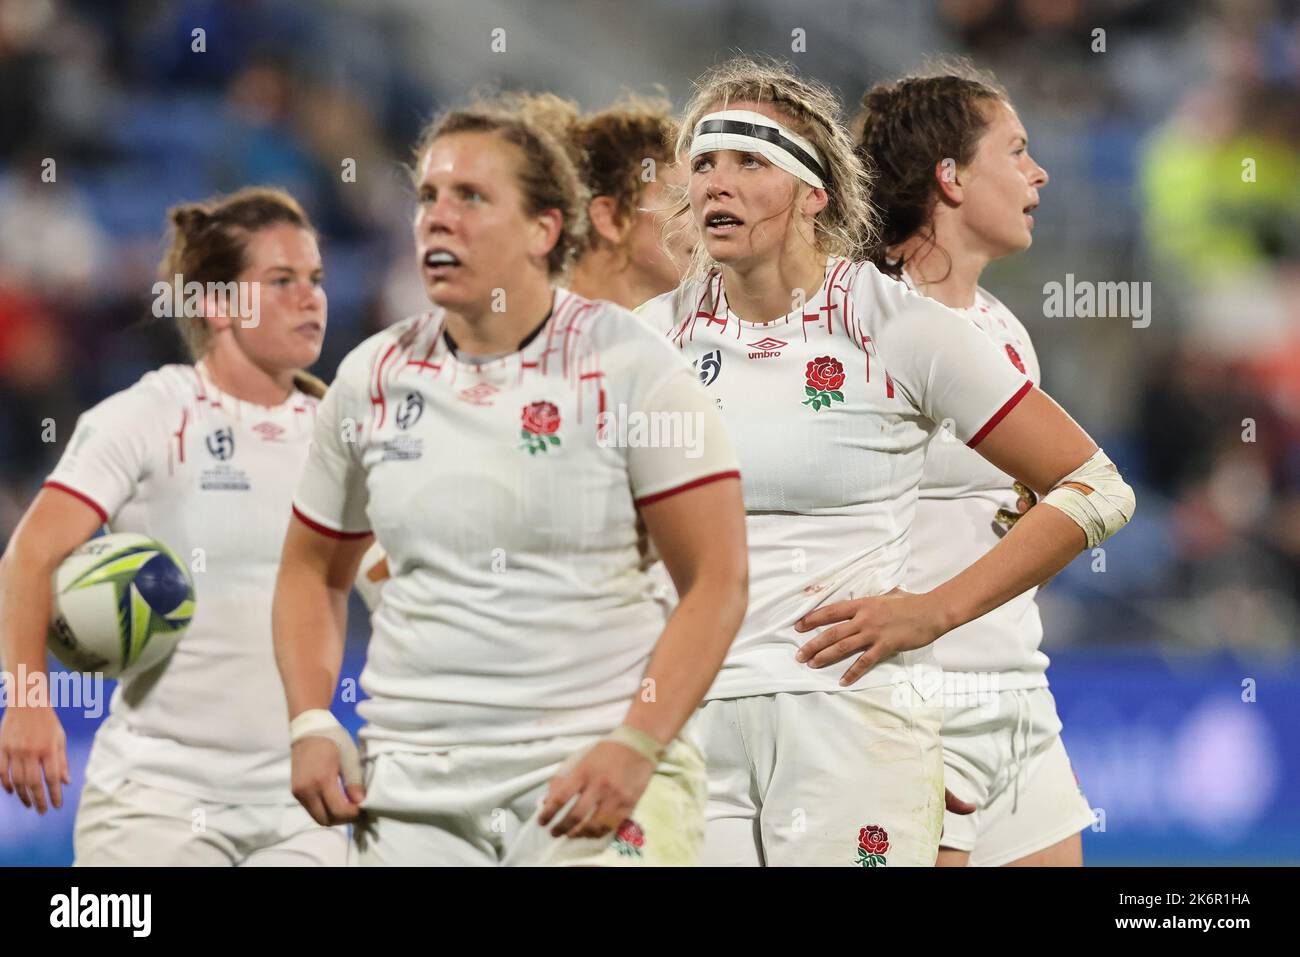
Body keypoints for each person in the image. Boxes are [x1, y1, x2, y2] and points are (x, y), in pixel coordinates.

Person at [638, 56, 1135, 867]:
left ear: (814, 192)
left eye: (749, 161)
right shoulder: (645, 338)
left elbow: (1094, 487)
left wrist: (933, 609)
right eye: (703, 163)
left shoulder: (925, 328)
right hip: (708, 718)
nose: (715, 184)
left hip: (908, 706)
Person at [273, 97, 748, 866]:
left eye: (471, 197)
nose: (437, 217)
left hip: (590, 783)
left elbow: (719, 579)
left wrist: (636, 742)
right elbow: (307, 568)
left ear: (544, 229)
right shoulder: (371, 379)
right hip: (409, 793)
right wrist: (308, 720)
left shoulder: (636, 370)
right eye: (428, 196)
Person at [0, 187, 347, 866]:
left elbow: (395, 588)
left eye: (316, 280)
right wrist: (30, 700)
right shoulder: (148, 415)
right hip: (154, 799)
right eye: (281, 280)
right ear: (217, 304)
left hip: (299, 801)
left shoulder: (342, 436)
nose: (311, 298)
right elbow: (29, 555)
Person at [855, 65, 1095, 867]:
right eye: (1017, 151)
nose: (1039, 172)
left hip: (1017, 694)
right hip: (912, 703)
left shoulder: (1003, 329)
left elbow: (1042, 512)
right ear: (949, 176)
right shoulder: (859, 323)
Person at [352, 92, 695, 608]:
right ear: (610, 217)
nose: (704, 221)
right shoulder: (502, 347)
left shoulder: (680, 356)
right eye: (678, 199)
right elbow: (380, 554)